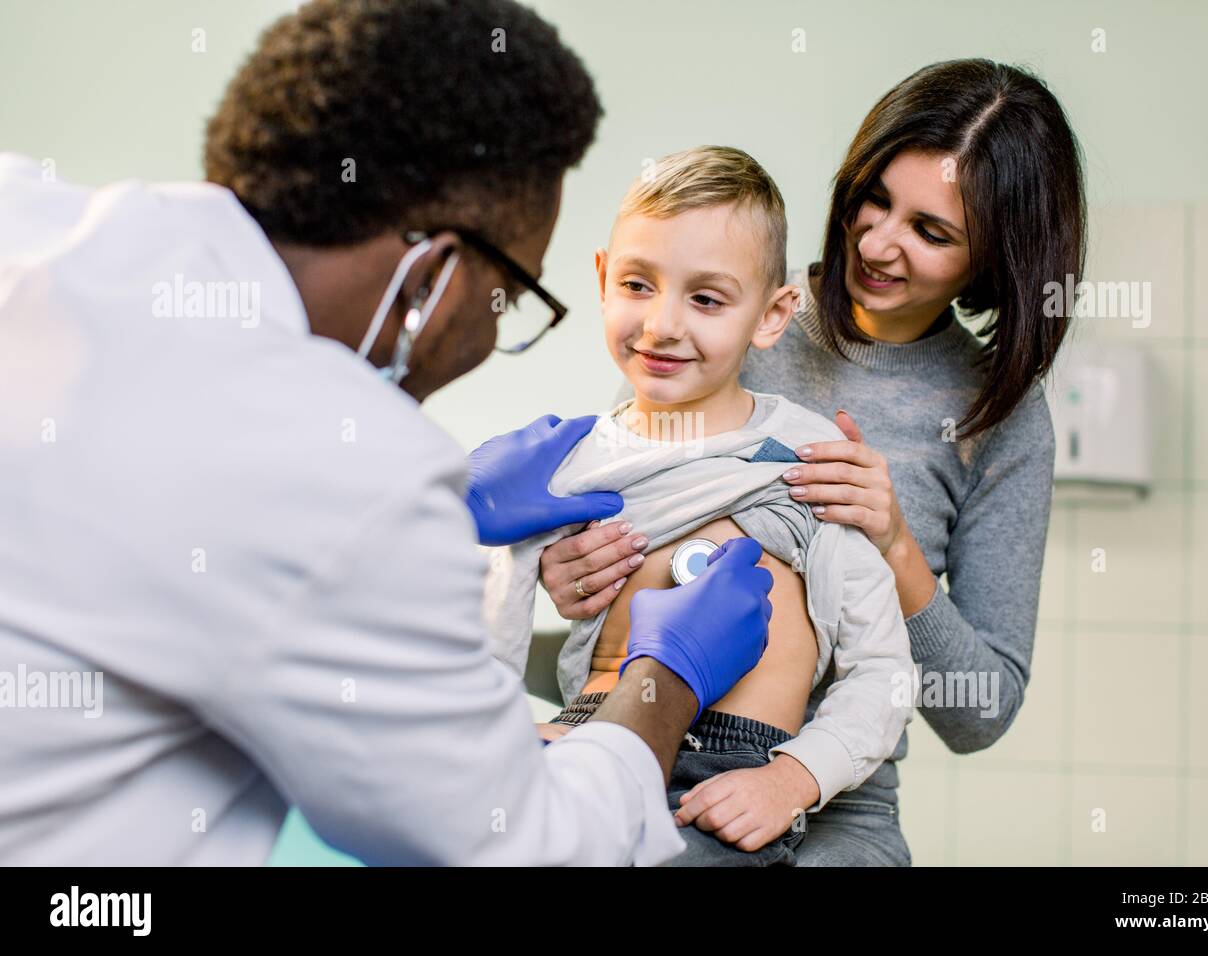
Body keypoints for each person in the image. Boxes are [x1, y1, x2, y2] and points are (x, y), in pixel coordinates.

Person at [0, 0, 774, 867]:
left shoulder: (24, 211)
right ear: (432, 274)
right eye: (508, 299)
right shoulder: (348, 476)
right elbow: (527, 846)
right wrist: (665, 677)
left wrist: (447, 519)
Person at [537, 59, 1087, 865]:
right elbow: (608, 536)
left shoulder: (999, 420)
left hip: (837, 810)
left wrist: (895, 547)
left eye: (931, 233)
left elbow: (982, 714)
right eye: (874, 198)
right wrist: (569, 573)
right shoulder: (724, 312)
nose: (878, 242)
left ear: (994, 259)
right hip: (631, 749)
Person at [481, 146, 914, 865]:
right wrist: (497, 745)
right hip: (590, 732)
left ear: (773, 315)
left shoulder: (813, 463)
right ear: (600, 280)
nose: (662, 325)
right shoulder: (568, 461)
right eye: (637, 284)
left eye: (706, 298)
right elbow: (491, 640)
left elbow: (883, 671)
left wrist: (793, 779)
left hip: (734, 776)